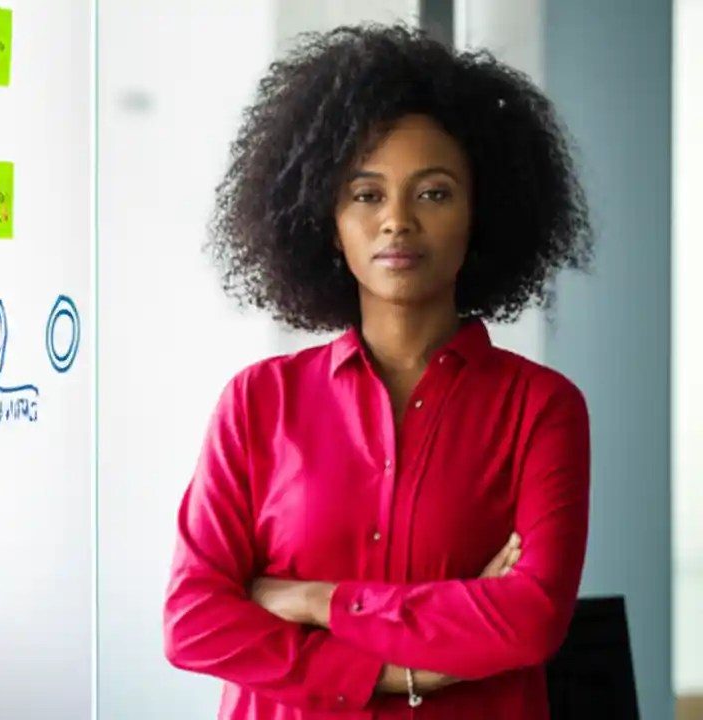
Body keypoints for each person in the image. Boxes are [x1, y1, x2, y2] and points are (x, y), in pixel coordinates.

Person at [163, 22, 594, 720]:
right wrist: (395, 672)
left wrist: (315, 600)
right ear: (328, 222)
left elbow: (531, 618)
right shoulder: (257, 402)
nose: (397, 221)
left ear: (479, 216)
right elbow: (193, 620)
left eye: (433, 193)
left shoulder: (541, 408)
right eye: (366, 195)